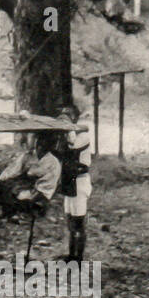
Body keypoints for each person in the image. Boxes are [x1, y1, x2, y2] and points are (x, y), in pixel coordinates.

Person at [58, 105, 92, 261]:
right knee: (70, 220)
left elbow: (73, 145)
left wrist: (67, 129)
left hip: (79, 181)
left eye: (68, 115)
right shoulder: (67, 135)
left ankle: (79, 257)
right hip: (69, 181)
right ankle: (71, 255)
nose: (65, 118)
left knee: (79, 222)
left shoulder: (83, 136)